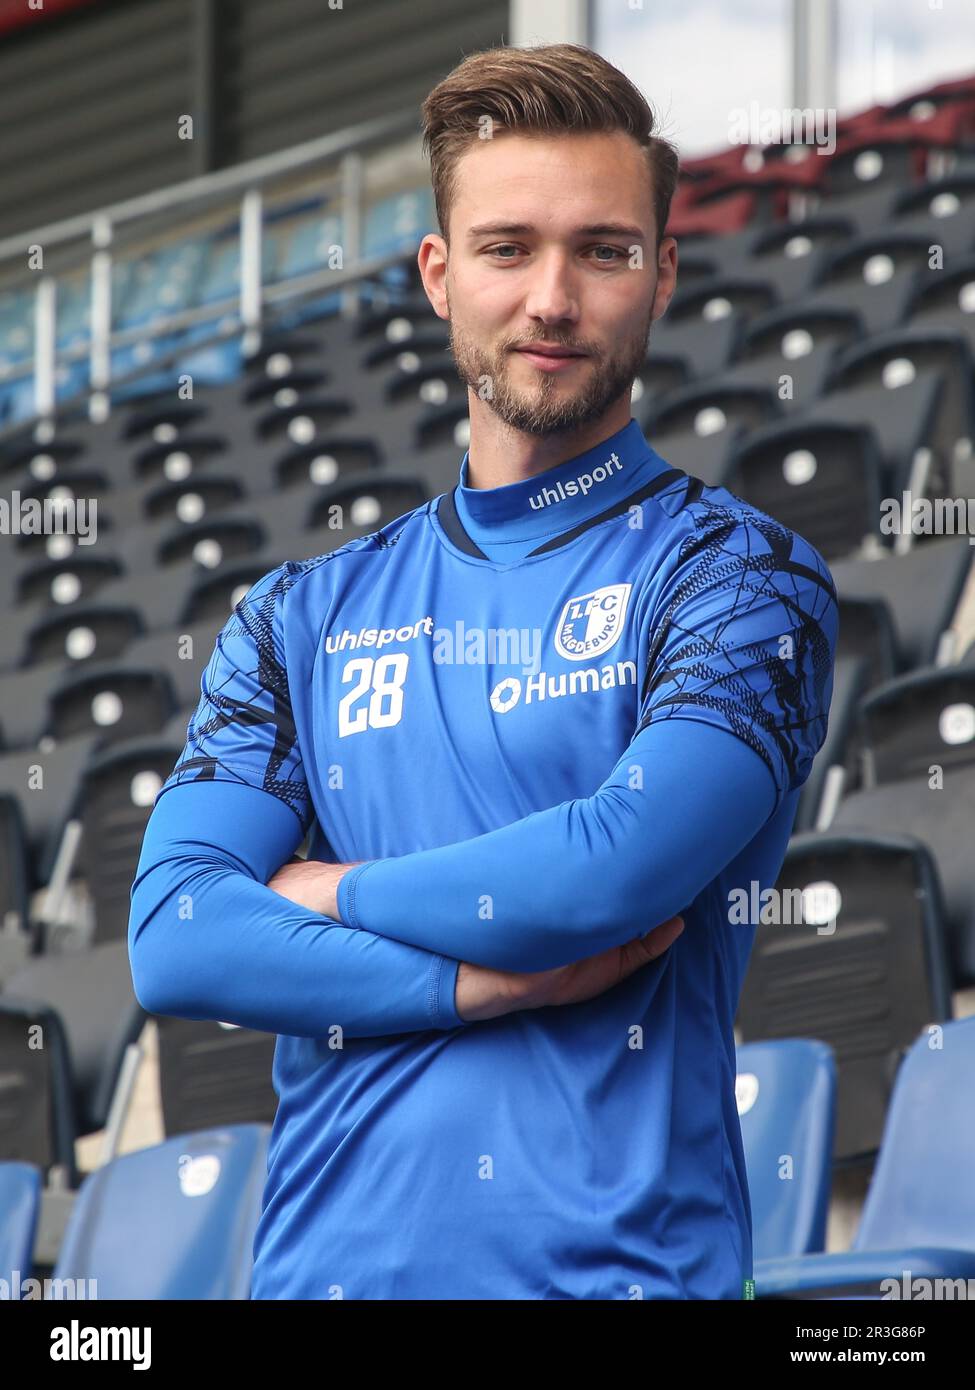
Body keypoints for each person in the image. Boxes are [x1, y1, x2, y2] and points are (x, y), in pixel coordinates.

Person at [129, 41, 837, 1300]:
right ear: (440, 276)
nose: (553, 300)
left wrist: (326, 891)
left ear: (663, 272)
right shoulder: (298, 616)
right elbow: (177, 936)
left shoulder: (741, 579)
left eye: (603, 250)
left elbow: (600, 878)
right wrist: (466, 982)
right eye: (508, 249)